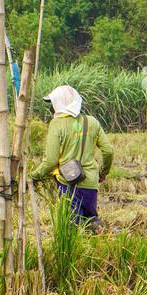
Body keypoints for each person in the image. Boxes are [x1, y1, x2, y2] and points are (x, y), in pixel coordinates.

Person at [31, 84, 113, 231]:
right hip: (90, 183)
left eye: (53, 104)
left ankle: (73, 253)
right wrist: (103, 172)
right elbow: (108, 151)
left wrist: (33, 177)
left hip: (68, 183)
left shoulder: (56, 124)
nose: (52, 108)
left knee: (72, 229)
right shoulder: (92, 122)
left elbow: (50, 161)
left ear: (60, 103)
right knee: (90, 224)